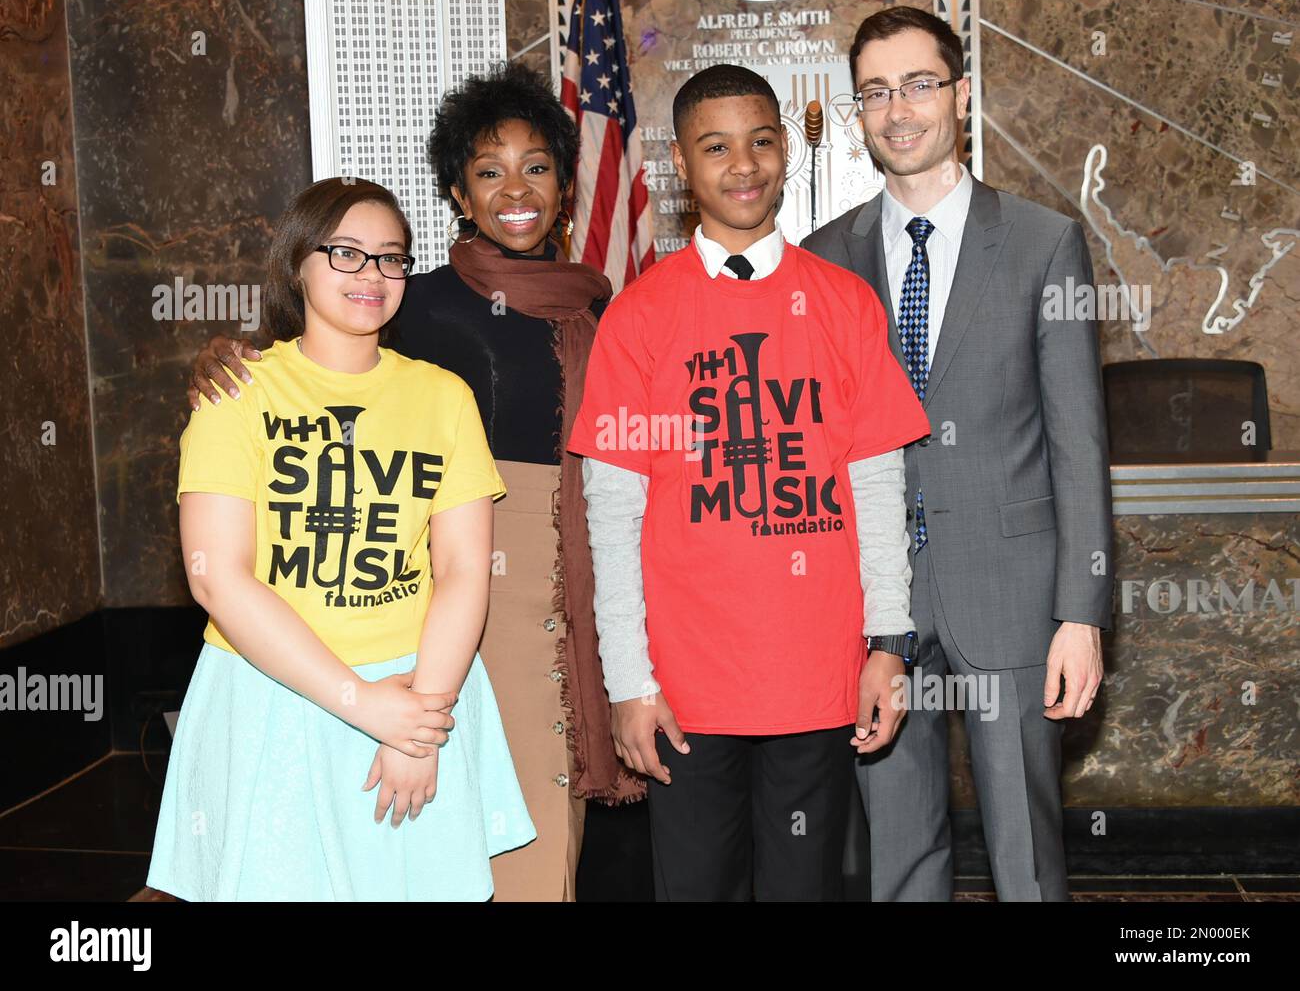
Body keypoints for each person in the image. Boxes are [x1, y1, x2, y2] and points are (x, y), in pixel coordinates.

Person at [180, 63, 645, 902]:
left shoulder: (600, 309)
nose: (515, 188)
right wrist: (225, 357)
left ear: (566, 187)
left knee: (519, 842)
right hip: (427, 616)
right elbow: (315, 360)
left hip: (548, 600)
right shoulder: (418, 302)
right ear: (459, 194)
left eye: (536, 166)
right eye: (488, 170)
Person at [567, 64, 931, 901]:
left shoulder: (845, 304)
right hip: (684, 686)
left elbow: (877, 494)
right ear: (682, 170)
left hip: (818, 673)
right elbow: (612, 518)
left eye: (762, 141)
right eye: (717, 147)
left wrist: (887, 644)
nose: (744, 165)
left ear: (784, 154)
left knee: (807, 886)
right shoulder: (640, 317)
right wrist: (629, 682)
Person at [148, 177, 535, 901]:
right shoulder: (237, 392)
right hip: (274, 695)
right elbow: (217, 578)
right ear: (297, 262)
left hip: (423, 690)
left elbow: (460, 571)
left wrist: (418, 721)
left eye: (391, 258)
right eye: (347, 254)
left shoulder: (442, 396)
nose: (373, 275)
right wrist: (362, 704)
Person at [803, 5, 1111, 902]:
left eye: (920, 84)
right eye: (876, 92)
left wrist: (1081, 615)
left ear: (962, 94)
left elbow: (1079, 442)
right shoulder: (826, 260)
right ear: (857, 111)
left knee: (1024, 854)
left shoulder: (1045, 243)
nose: (899, 109)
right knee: (897, 858)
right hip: (871, 610)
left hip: (1011, 595)